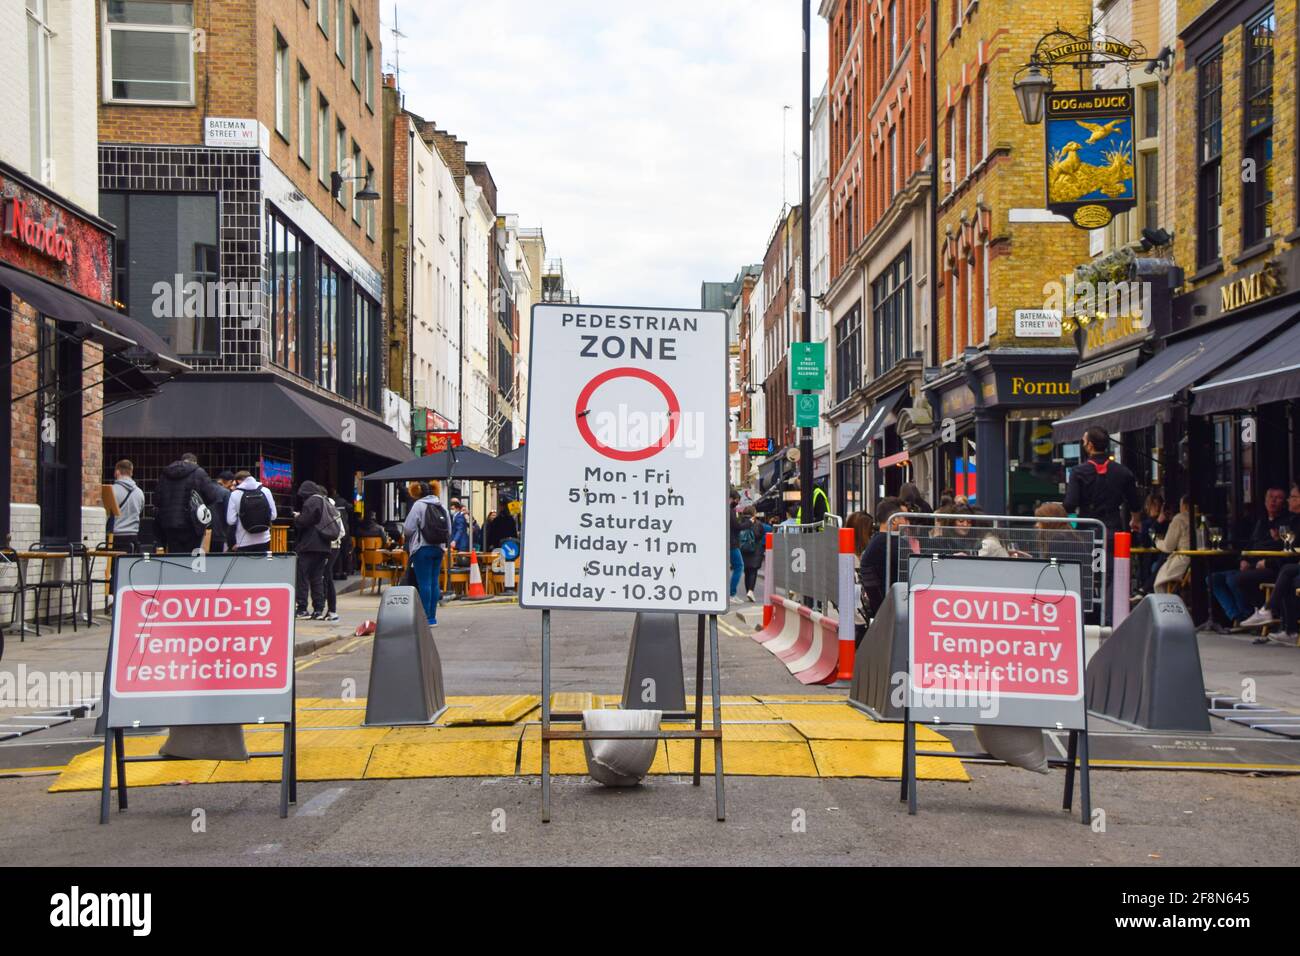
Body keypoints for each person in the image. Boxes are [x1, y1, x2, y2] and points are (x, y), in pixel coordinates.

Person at [1212, 486, 1289, 626]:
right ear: (1265, 501)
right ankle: (1237, 616)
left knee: (1234, 579)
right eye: (1270, 497)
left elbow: (1287, 550)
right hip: (1252, 563)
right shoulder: (1262, 521)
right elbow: (1250, 544)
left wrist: (1276, 544)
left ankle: (1251, 613)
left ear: (1284, 502)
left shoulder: (1286, 522)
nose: (1273, 501)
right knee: (1213, 579)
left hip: (1271, 566)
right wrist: (1243, 559)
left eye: (1278, 498)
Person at [404, 480, 451, 627]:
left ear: (418, 493)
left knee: (424, 582)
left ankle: (426, 617)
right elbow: (449, 529)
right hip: (439, 548)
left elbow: (408, 528)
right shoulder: (441, 505)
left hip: (422, 548)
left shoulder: (419, 505)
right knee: (433, 582)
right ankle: (432, 617)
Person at [293, 480, 341, 621]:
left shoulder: (311, 501)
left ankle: (302, 609)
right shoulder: (325, 501)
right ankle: (318, 610)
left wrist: (297, 517)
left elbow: (305, 521)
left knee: (302, 577)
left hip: (309, 545)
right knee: (317, 578)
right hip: (324, 545)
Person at [153, 452, 220, 553]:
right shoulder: (199, 472)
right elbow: (212, 496)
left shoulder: (165, 474)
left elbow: (156, 499)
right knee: (192, 558)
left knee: (175, 557)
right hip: (192, 524)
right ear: (195, 462)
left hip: (169, 524)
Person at [859, 496, 905, 621]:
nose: (907, 522)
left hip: (884, 609)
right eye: (904, 517)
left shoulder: (878, 540)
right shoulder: (892, 543)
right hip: (893, 610)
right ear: (894, 520)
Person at [226, 470, 277, 554]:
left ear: (238, 481)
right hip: (264, 539)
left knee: (244, 566)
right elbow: (273, 516)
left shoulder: (235, 494)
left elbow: (231, 521)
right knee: (265, 565)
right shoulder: (266, 491)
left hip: (243, 541)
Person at [1153, 495, 1193, 592]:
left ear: (1184, 506)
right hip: (1197, 561)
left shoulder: (1179, 519)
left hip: (1183, 560)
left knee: (1159, 576)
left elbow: (1168, 547)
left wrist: (1157, 541)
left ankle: (1163, 603)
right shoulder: (1201, 517)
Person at [109, 459, 144, 554]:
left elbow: (106, 514)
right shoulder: (140, 492)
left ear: (117, 472)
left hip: (115, 538)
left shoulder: (111, 490)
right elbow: (140, 511)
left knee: (114, 567)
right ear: (131, 473)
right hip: (133, 538)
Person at [738, 505, 769, 601]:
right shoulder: (757, 523)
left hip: (743, 550)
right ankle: (750, 591)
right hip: (755, 550)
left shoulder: (740, 522)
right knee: (753, 571)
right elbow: (759, 535)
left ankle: (749, 591)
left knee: (746, 571)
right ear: (753, 513)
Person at [207, 471, 234, 552]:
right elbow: (228, 514)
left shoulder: (206, 488)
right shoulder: (225, 492)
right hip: (219, 533)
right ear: (229, 482)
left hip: (204, 532)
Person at [727, 492, 744, 604]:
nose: (737, 502)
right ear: (730, 498)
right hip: (732, 544)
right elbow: (737, 527)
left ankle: (730, 594)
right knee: (739, 566)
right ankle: (731, 594)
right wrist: (749, 522)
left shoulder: (727, 509)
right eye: (736, 500)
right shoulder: (730, 511)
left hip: (729, 543)